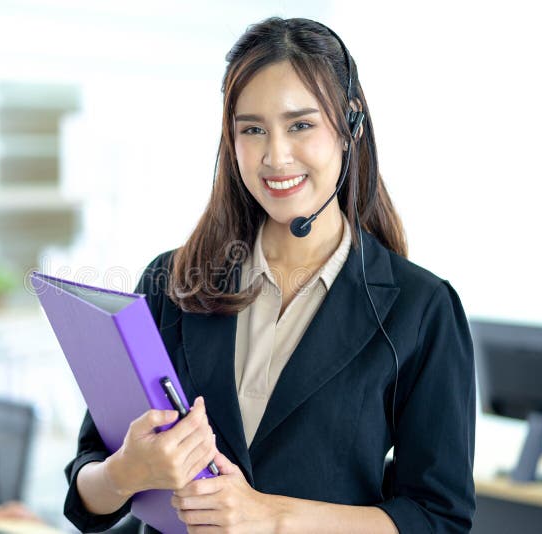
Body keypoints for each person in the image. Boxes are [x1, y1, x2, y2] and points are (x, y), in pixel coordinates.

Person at [63, 16, 476, 533]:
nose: (275, 156)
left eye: (300, 124)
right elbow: (86, 486)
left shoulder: (422, 310)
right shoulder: (172, 281)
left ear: (351, 126)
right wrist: (126, 472)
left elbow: (437, 519)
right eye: (252, 129)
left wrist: (269, 515)